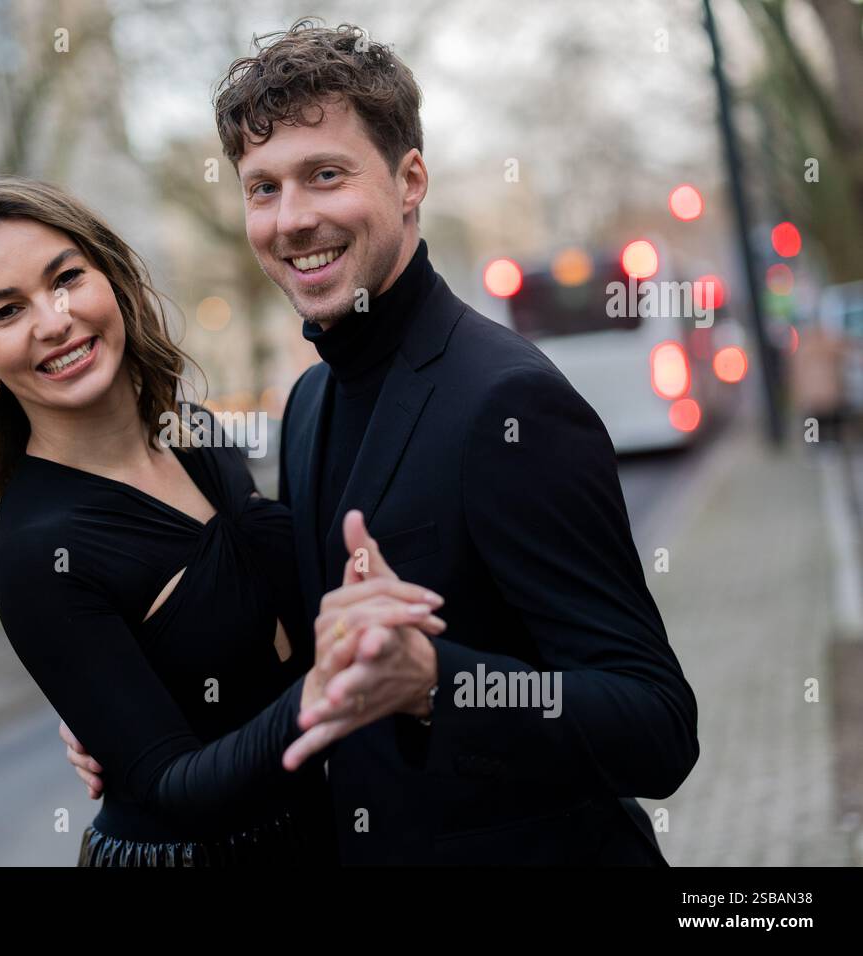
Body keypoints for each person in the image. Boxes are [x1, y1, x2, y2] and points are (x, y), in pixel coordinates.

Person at [65, 19, 700, 865]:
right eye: (263, 189)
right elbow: (317, 658)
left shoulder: (508, 405)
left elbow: (657, 725)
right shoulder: (310, 401)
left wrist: (438, 681)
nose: (292, 220)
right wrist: (149, 708)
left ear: (410, 181)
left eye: (325, 176)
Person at [0, 176, 445, 866]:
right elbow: (171, 786)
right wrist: (322, 694)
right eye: (7, 311)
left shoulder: (192, 432)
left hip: (318, 829)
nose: (53, 320)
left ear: (112, 278)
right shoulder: (39, 548)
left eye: (66, 279)